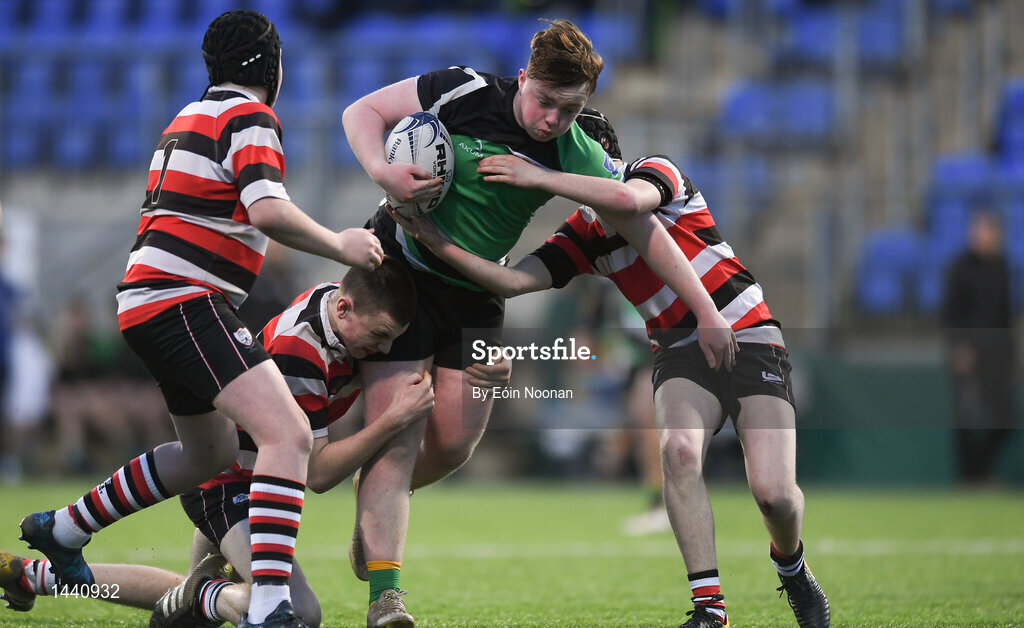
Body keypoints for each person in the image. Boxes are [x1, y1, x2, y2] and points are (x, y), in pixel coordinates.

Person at [341, 20, 736, 625]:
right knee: (399, 429)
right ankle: (386, 596)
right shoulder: (463, 90)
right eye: (545, 101)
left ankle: (376, 498)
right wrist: (381, 169)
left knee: (453, 445)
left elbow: (647, 232)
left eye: (569, 109)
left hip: (477, 290)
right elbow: (362, 112)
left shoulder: (576, 151)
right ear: (523, 78)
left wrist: (706, 310)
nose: (552, 119)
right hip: (401, 270)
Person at [391, 109, 830, 628]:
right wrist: (433, 240)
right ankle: (710, 609)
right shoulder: (585, 233)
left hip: (747, 332)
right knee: (678, 452)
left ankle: (791, 565)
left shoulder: (656, 174)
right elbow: (512, 281)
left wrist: (538, 175)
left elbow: (628, 201)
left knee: (775, 496)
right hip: (678, 350)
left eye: (571, 164)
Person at [18, 10, 383, 628]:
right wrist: (339, 244)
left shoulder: (186, 117)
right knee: (290, 435)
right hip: (184, 298)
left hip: (147, 301)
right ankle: (268, 605)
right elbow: (267, 211)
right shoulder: (251, 116)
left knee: (208, 452)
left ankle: (66, 528)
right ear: (272, 67)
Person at [3, 259, 510, 628]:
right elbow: (317, 474)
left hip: (247, 477)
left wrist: (476, 372)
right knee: (298, 611)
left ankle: (32, 576)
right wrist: (391, 420)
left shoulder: (342, 310)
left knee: (188, 597)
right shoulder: (300, 353)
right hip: (232, 487)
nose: (381, 350)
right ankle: (201, 592)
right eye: (377, 337)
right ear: (344, 307)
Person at [941, 210, 1015, 484]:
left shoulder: (1002, 267)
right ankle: (968, 477)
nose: (983, 236)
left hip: (996, 356)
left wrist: (1012, 357)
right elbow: (951, 313)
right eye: (978, 230)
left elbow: (1005, 315)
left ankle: (980, 470)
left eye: (988, 231)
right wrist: (959, 348)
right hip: (969, 355)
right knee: (967, 417)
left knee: (1006, 417)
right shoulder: (960, 268)